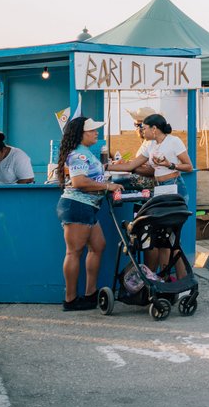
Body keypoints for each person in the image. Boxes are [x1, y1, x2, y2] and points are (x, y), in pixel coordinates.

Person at [55, 117, 123, 311]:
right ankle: (70, 299)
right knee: (74, 252)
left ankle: (90, 294)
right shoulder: (78, 155)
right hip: (77, 205)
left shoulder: (85, 153)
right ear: (81, 134)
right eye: (92, 130)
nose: (96, 133)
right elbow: (79, 182)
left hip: (87, 207)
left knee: (98, 246)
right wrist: (108, 186)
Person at [111, 113, 193, 199]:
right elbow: (131, 165)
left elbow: (189, 167)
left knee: (174, 212)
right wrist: (106, 167)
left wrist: (170, 165)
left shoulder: (174, 141)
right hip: (158, 185)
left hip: (173, 184)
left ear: (154, 128)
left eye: (144, 128)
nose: (142, 131)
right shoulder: (151, 144)